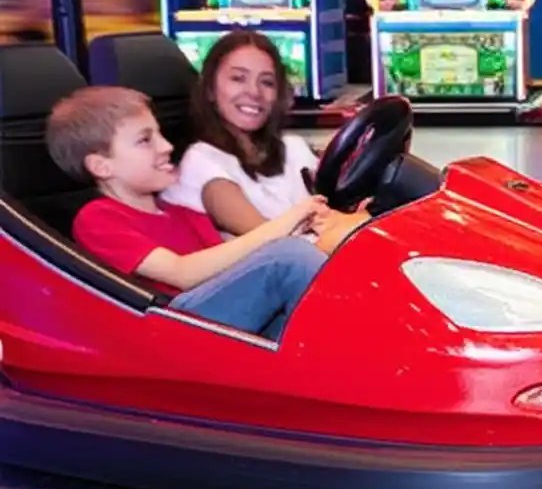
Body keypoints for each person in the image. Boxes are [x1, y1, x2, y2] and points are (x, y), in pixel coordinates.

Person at [46, 86, 328, 339]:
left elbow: (233, 269)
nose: (167, 147)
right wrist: (285, 224)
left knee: (295, 316)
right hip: (164, 329)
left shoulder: (182, 213)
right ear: (101, 166)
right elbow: (182, 273)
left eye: (160, 135)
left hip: (207, 321)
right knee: (289, 258)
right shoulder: (99, 219)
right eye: (145, 140)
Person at [161, 29, 371, 247]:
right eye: (238, 78)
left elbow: (338, 202)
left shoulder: (292, 147)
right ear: (210, 90)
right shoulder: (201, 162)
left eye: (267, 82)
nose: (254, 92)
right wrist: (355, 228)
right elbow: (276, 244)